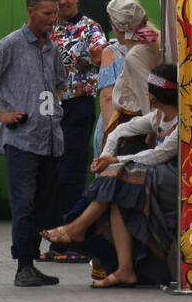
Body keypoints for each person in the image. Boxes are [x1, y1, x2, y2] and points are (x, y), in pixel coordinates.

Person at [41, 63, 180, 288]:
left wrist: (114, 161)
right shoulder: (157, 118)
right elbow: (119, 131)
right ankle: (125, 269)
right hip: (157, 172)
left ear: (157, 94)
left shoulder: (181, 123)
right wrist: (105, 156)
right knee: (118, 192)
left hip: (174, 179)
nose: (146, 93)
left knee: (121, 173)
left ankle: (76, 228)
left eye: (149, 89)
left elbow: (158, 155)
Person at [0, 0, 66, 288]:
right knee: (23, 203)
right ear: (31, 12)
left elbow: (59, 82)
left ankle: (32, 262)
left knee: (42, 204)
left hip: (50, 138)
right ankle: (23, 266)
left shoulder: (52, 48)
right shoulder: (10, 44)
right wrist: (0, 114)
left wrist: (54, 106)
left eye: (56, 12)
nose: (53, 18)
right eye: (48, 13)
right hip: (21, 140)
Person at [43, 0, 107, 264]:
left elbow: (100, 56)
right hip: (46, 109)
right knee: (50, 175)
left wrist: (86, 57)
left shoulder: (90, 28)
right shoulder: (45, 27)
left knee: (71, 173)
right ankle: (56, 242)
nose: (64, 1)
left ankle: (78, 243)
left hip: (77, 106)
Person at [103, 0, 162, 135]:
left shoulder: (135, 56)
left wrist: (151, 141)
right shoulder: (150, 45)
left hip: (137, 132)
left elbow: (148, 100)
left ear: (117, 28)